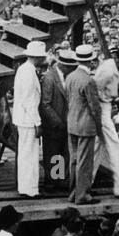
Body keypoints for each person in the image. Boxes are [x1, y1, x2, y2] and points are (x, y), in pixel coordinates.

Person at [92, 46, 119, 197]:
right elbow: (93, 89)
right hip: (100, 109)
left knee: (96, 147)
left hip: (103, 107)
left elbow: (107, 89)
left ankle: (84, 184)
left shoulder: (109, 66)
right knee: (115, 146)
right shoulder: (109, 70)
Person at [65, 44, 103, 205]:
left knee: (74, 159)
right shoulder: (88, 81)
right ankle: (82, 195)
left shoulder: (70, 76)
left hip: (72, 122)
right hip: (86, 125)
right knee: (85, 162)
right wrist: (100, 126)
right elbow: (95, 107)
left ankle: (74, 192)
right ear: (91, 61)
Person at [12, 41, 47, 198]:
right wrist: (38, 122)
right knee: (29, 155)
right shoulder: (28, 72)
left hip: (25, 118)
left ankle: (27, 187)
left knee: (27, 154)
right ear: (38, 57)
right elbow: (29, 100)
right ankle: (29, 189)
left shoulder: (25, 69)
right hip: (28, 119)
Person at [39, 47, 73, 194]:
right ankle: (51, 182)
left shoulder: (65, 76)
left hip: (65, 122)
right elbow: (45, 104)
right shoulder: (49, 77)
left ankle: (59, 180)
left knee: (61, 153)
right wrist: (57, 122)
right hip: (54, 124)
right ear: (63, 66)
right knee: (52, 153)